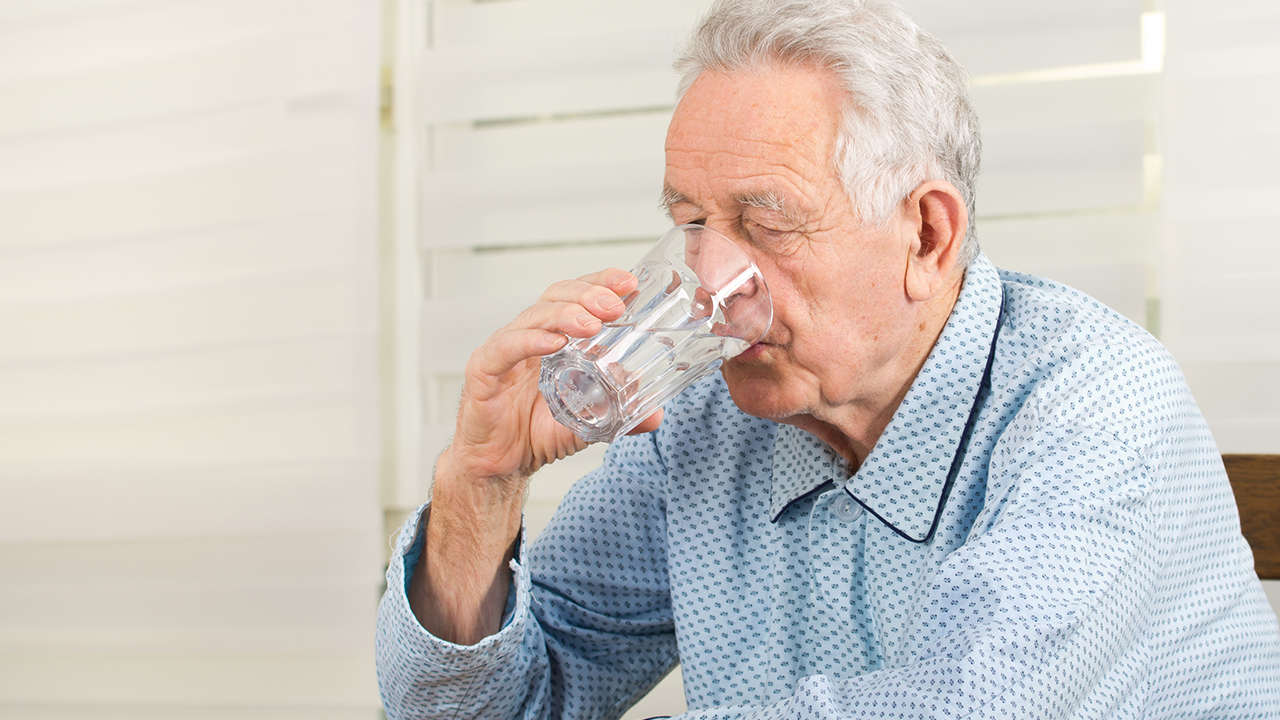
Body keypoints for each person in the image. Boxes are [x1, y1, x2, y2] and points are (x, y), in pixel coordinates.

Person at [376, 0, 1280, 717]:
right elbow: (491, 710)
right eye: (691, 222)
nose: (711, 276)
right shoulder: (699, 417)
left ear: (926, 236)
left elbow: (974, 705)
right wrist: (482, 484)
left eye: (766, 225)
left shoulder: (1097, 401)